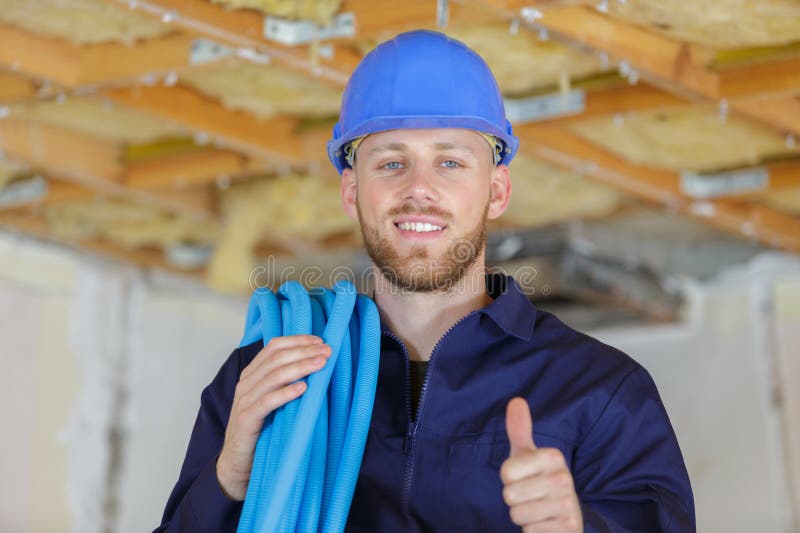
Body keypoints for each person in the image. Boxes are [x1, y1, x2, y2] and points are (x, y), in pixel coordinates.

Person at [155, 30, 695, 532]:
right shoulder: (272, 373)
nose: (419, 189)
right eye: (391, 163)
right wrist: (230, 478)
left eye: (450, 163)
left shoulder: (599, 391)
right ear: (351, 192)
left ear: (498, 190)